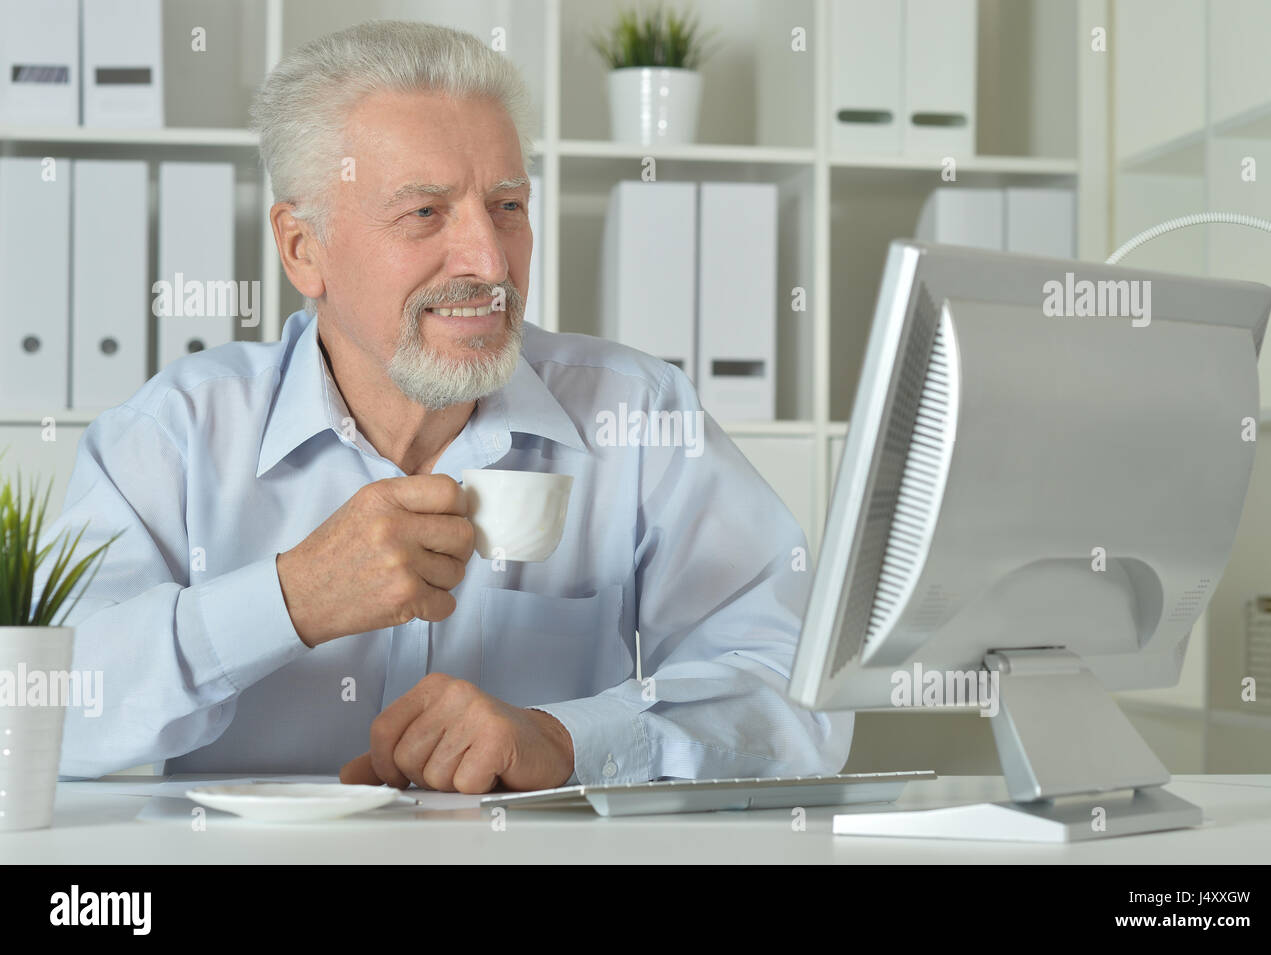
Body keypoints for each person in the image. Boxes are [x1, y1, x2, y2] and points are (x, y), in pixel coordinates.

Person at [44, 20, 852, 792]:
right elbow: (40, 704)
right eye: (425, 212)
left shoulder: (640, 415)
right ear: (303, 248)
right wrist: (289, 600)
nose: (489, 259)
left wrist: (571, 738)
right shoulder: (177, 436)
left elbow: (801, 688)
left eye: (507, 205)